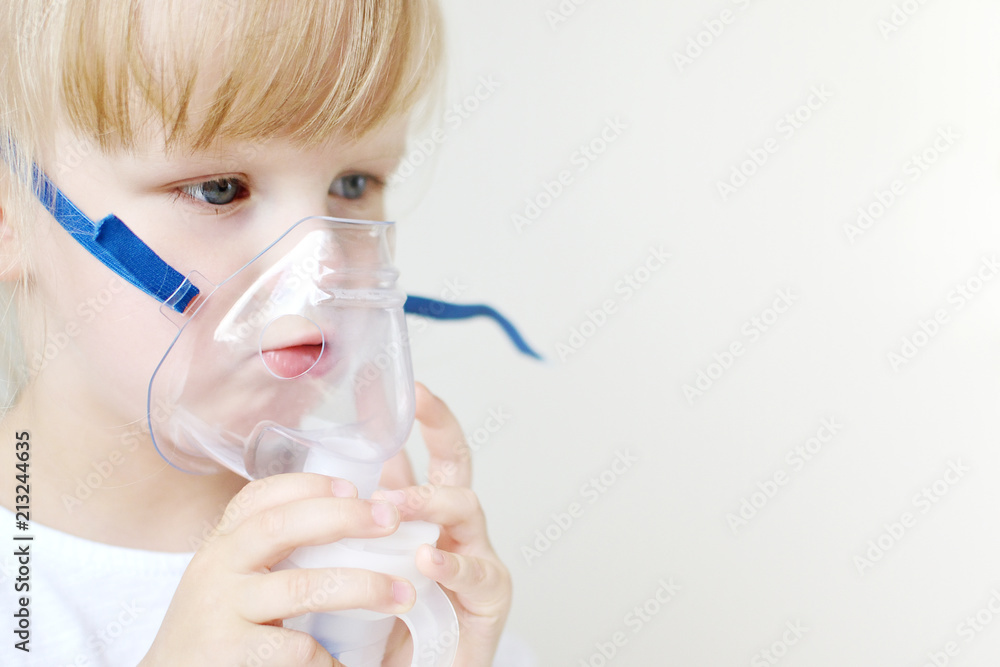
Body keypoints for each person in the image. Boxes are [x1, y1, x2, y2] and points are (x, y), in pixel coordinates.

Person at [0, 1, 519, 664]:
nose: (322, 279)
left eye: (352, 183)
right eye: (220, 188)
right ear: (11, 214)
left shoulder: (392, 582)